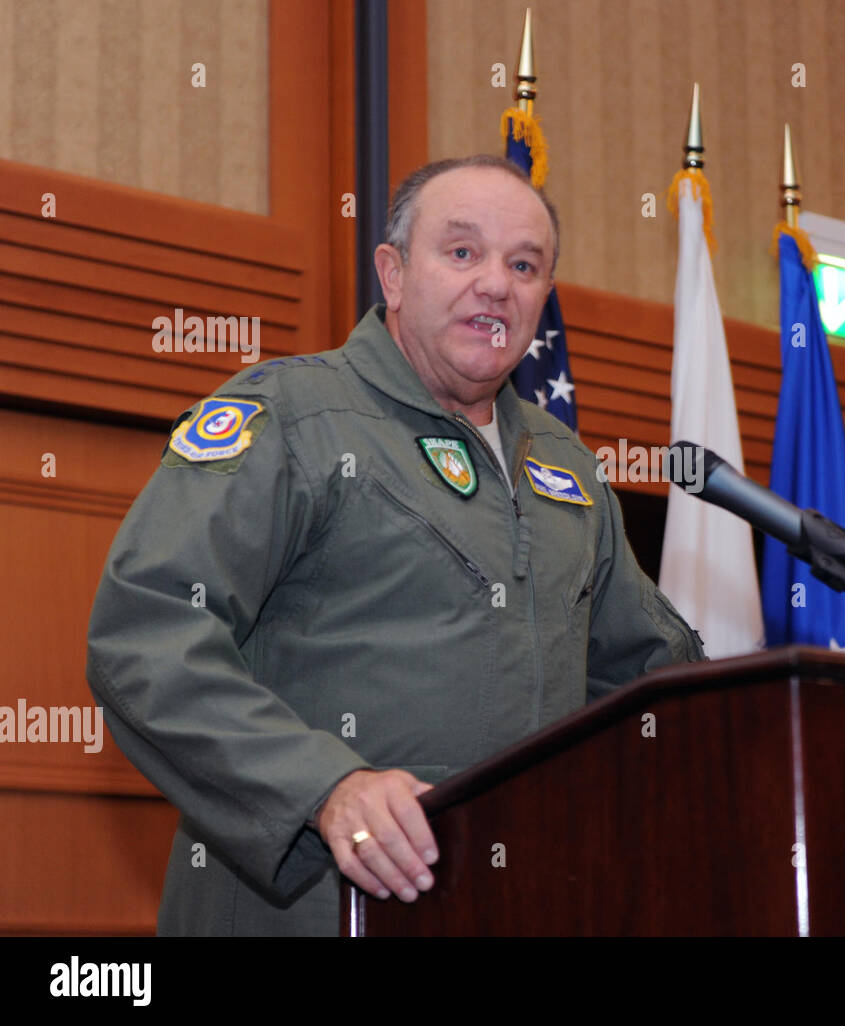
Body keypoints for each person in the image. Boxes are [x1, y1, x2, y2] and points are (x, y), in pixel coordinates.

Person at [85, 155, 705, 936]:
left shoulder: (566, 466)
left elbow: (649, 681)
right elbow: (146, 633)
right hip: (308, 909)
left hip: (511, 903)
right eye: (461, 252)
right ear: (394, 272)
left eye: (524, 265)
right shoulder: (292, 415)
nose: (495, 284)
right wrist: (323, 786)